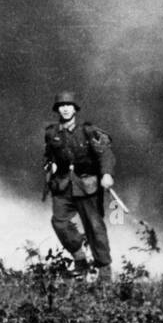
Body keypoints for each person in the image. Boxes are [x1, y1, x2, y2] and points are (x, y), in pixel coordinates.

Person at [43, 91, 116, 283]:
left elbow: (105, 153)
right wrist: (50, 166)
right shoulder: (52, 133)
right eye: (61, 106)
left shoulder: (88, 131)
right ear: (57, 109)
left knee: (95, 227)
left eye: (69, 105)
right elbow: (49, 155)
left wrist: (107, 174)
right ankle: (79, 258)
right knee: (59, 222)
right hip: (64, 184)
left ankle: (105, 272)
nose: (65, 109)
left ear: (75, 109)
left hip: (87, 185)